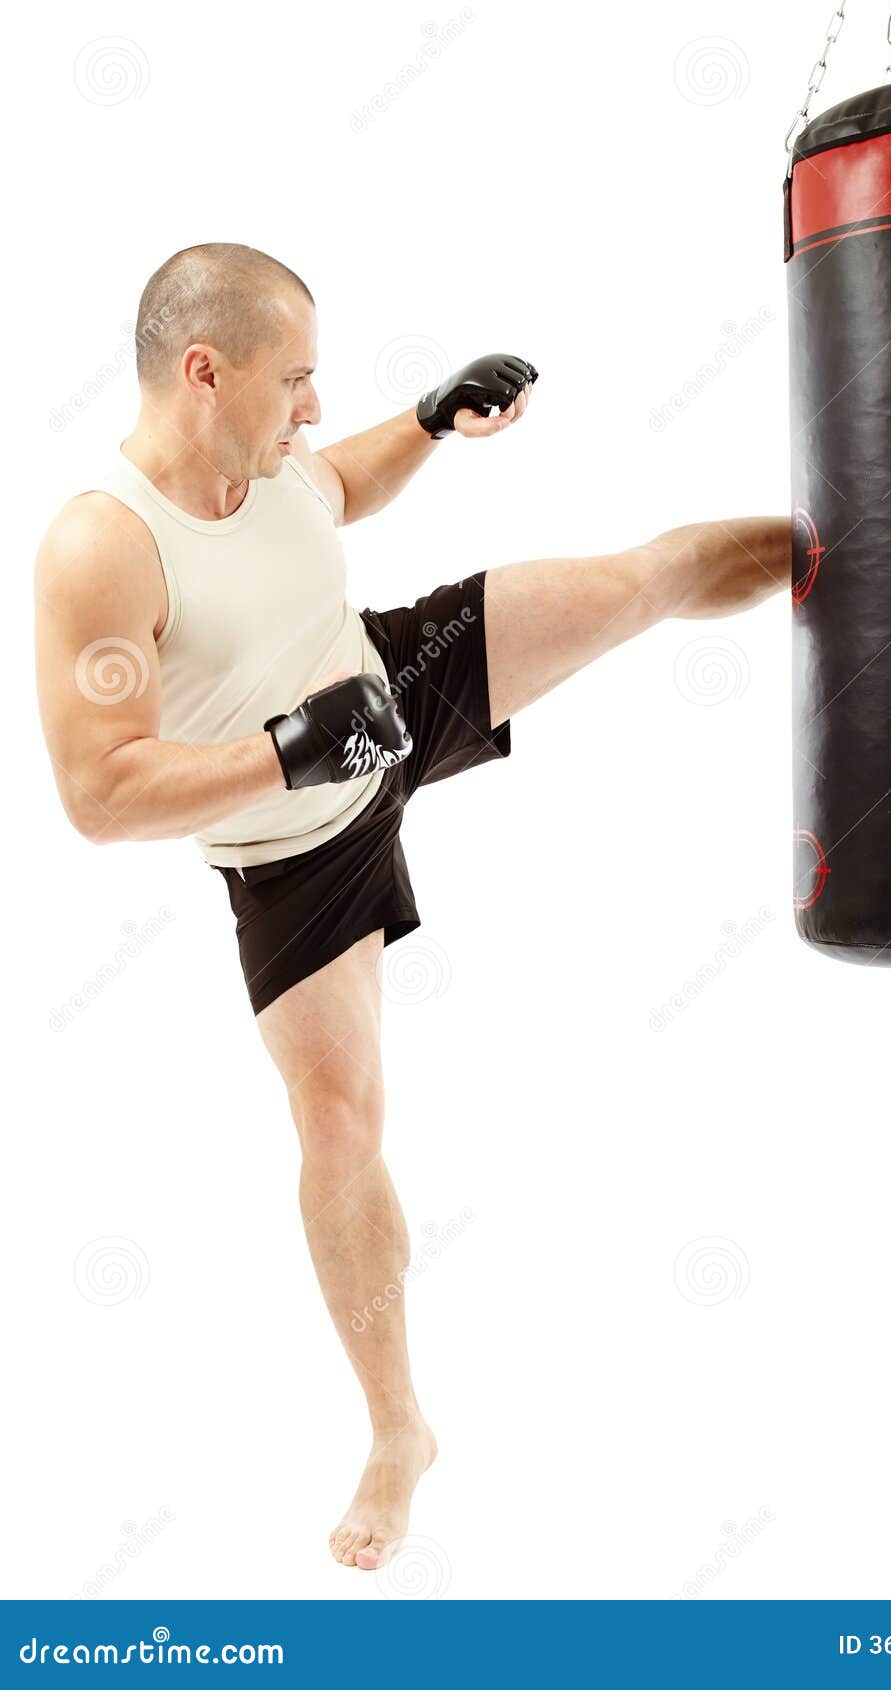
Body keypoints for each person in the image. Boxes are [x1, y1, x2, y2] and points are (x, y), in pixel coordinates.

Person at [35, 243, 789, 1572]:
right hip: (290, 847)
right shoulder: (103, 545)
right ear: (203, 373)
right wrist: (284, 751)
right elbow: (100, 792)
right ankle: (398, 1432)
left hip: (392, 681)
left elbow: (339, 484)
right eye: (297, 380)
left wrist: (434, 423)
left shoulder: (265, 462)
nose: (312, 408)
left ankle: (890, 566)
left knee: (639, 580)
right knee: (339, 1125)